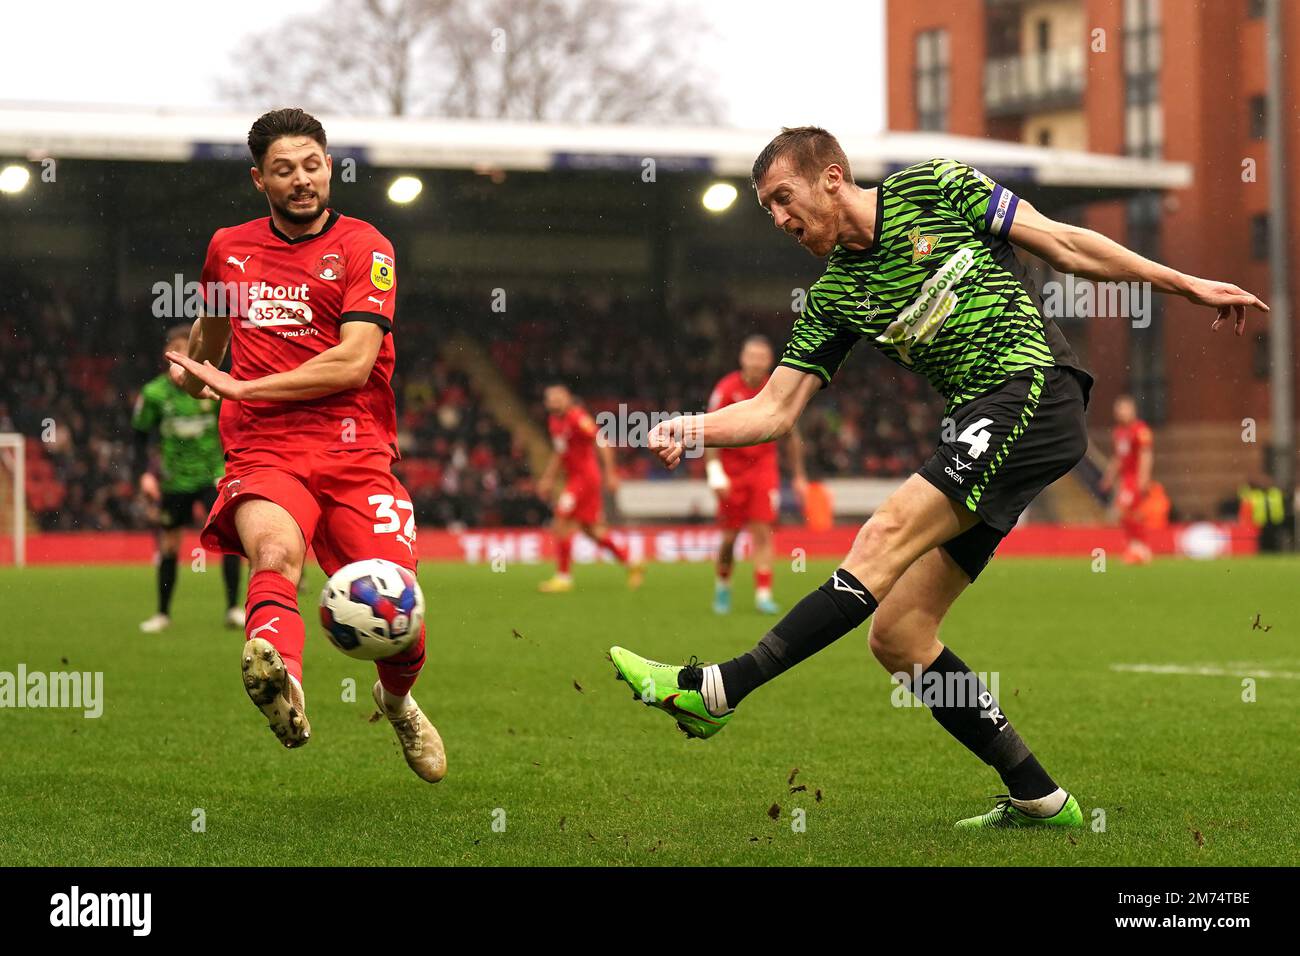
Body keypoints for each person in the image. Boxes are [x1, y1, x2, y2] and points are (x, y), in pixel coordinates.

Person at [610, 126, 1266, 829]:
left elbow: (1063, 243)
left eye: (782, 198)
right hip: (993, 423)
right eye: (767, 209)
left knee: (883, 533)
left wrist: (1183, 283)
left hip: (1034, 387)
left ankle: (717, 689)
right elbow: (775, 409)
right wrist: (692, 427)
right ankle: (1040, 799)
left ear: (831, 177)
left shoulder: (936, 187)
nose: (778, 219)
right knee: (899, 633)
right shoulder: (836, 296)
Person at [166, 107, 444, 782]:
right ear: (259, 178)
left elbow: (353, 363)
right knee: (274, 551)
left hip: (356, 453)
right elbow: (211, 323)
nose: (301, 181)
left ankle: (398, 702)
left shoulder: (366, 246)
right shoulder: (228, 247)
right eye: (284, 170)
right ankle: (281, 678)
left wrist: (243, 388)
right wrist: (197, 369)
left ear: (329, 166)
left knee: (398, 611)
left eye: (312, 165)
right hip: (266, 447)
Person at [134, 325, 245, 633]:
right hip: (174, 479)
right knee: (169, 545)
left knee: (232, 539)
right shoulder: (154, 394)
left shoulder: (214, 387)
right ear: (167, 357)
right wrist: (145, 473)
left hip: (213, 475)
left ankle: (234, 608)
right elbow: (139, 437)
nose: (180, 360)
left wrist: (232, 465)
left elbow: (234, 425)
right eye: (175, 354)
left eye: (187, 353)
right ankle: (162, 613)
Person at [706, 334, 807, 614]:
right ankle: (723, 587)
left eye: (762, 357)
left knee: (763, 532)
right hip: (732, 472)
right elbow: (709, 429)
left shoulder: (776, 390)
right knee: (730, 537)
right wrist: (715, 472)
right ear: (742, 358)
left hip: (763, 470)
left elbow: (791, 433)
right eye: (752, 356)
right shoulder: (726, 389)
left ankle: (763, 595)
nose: (757, 362)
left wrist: (799, 476)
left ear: (770, 361)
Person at [536, 383, 644, 593]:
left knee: (561, 520)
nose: (555, 401)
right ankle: (632, 562)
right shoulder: (554, 422)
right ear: (546, 403)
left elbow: (601, 442)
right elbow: (561, 453)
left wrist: (611, 473)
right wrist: (548, 479)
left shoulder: (577, 418)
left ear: (568, 398)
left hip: (584, 480)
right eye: (551, 398)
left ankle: (563, 578)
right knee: (591, 531)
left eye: (559, 397)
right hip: (576, 479)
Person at [1099, 394, 1154, 564]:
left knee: (1124, 511)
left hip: (1135, 479)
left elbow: (1146, 455)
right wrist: (1109, 476)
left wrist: (1143, 478)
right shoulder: (1118, 432)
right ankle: (1137, 548)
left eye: (1124, 409)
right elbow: (1118, 458)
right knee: (1129, 514)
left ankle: (1140, 547)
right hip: (1125, 480)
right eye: (1118, 410)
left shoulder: (1141, 430)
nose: (1121, 413)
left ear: (1132, 410)